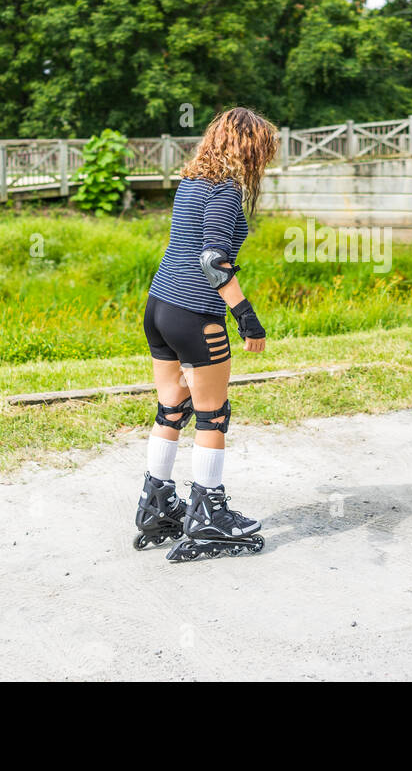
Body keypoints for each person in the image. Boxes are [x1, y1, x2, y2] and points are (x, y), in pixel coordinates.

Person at [132, 107, 276, 561]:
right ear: (250, 150)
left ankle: (156, 504)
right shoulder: (229, 191)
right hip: (195, 312)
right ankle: (210, 515)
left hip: (159, 306)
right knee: (213, 414)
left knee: (172, 405)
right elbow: (213, 258)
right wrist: (245, 315)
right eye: (263, 153)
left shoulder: (192, 182)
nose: (265, 163)